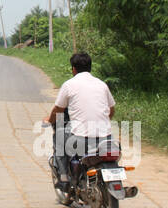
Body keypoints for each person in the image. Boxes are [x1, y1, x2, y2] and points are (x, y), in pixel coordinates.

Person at [42, 51, 115, 192]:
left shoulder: (69, 85)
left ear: (73, 69)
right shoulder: (102, 85)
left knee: (59, 136)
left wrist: (49, 119)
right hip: (106, 137)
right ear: (90, 67)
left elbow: (58, 109)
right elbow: (111, 110)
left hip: (82, 139)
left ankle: (63, 177)